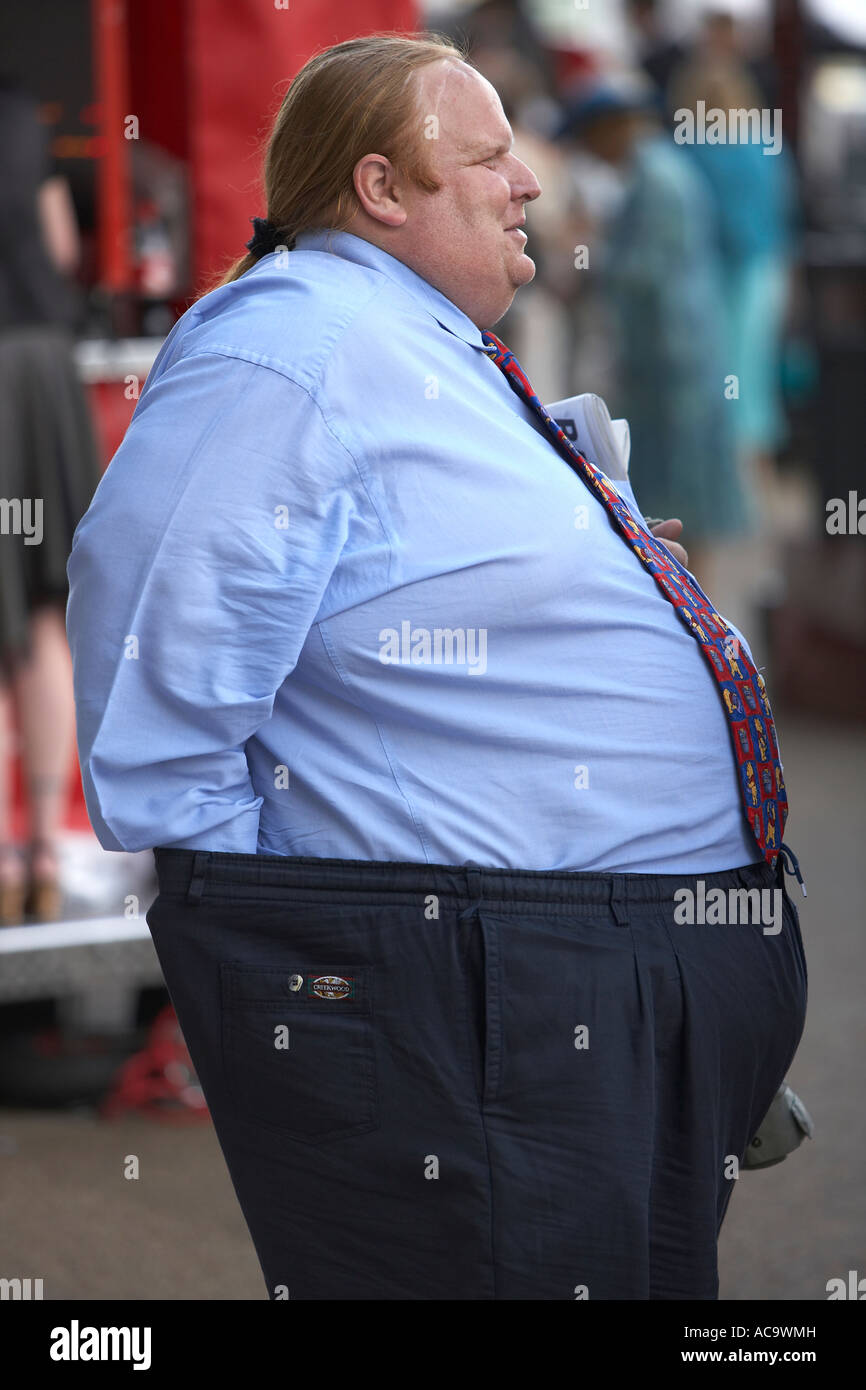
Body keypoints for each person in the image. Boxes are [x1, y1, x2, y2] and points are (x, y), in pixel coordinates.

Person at [66, 33, 807, 1301]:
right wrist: (334, 947)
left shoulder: (409, 340)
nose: (529, 183)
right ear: (380, 189)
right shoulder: (288, 345)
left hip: (565, 980)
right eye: (489, 156)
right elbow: (153, 697)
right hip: (482, 986)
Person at [0, 73, 102, 924]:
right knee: (40, 610)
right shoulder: (21, 110)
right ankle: (39, 845)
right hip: (36, 364)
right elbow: (61, 249)